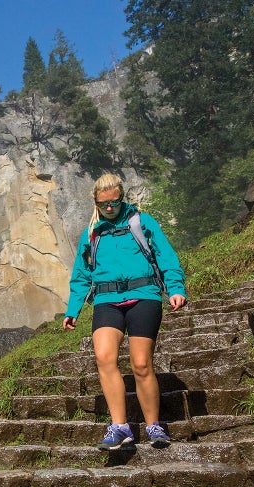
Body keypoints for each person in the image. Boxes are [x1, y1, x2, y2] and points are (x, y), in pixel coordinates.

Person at [61, 174, 187, 450]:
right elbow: (82, 275)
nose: (109, 208)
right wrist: (73, 309)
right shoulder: (91, 233)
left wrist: (175, 288)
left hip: (144, 296)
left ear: (122, 198)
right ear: (95, 202)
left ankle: (154, 425)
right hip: (106, 299)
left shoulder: (142, 222)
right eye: (103, 204)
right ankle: (119, 427)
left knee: (141, 364)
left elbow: (166, 256)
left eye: (114, 202)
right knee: (104, 357)